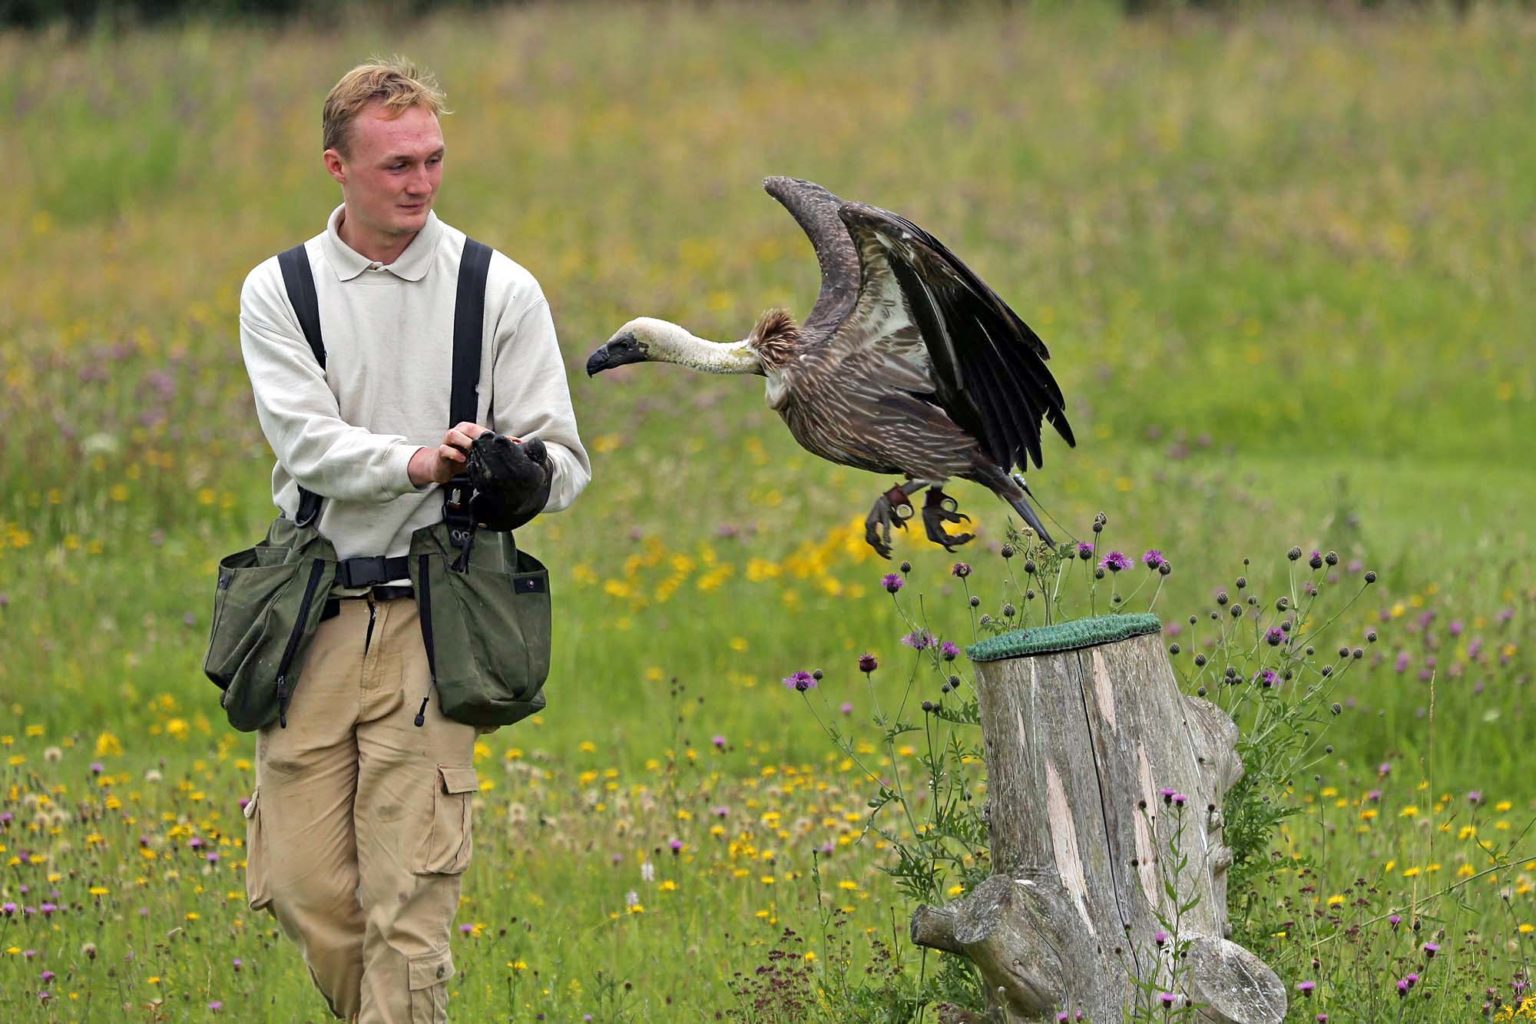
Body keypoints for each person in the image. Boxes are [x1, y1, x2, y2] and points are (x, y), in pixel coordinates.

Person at [235, 58, 589, 1023]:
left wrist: (520, 474)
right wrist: (421, 462)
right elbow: (308, 444)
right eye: (397, 165)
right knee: (307, 890)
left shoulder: (499, 287)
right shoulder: (282, 290)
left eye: (433, 159)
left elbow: (565, 458)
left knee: (411, 901)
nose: (421, 182)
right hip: (311, 617)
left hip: (440, 619)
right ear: (336, 166)